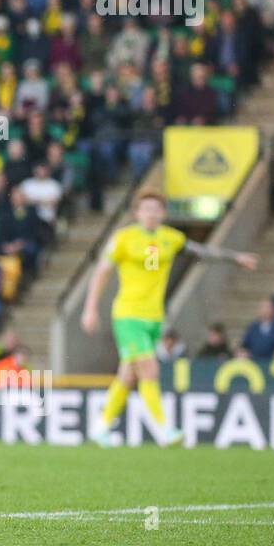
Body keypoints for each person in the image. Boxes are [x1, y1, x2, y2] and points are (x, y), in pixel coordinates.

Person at [81, 191, 257, 447]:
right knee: (149, 368)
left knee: (129, 375)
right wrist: (90, 307)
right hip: (129, 315)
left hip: (154, 318)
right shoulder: (124, 239)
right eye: (146, 209)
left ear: (163, 213)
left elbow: (201, 251)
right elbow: (101, 272)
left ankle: (101, 426)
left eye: (156, 209)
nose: (151, 214)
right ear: (137, 213)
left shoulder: (170, 239)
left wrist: (235, 257)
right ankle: (163, 429)